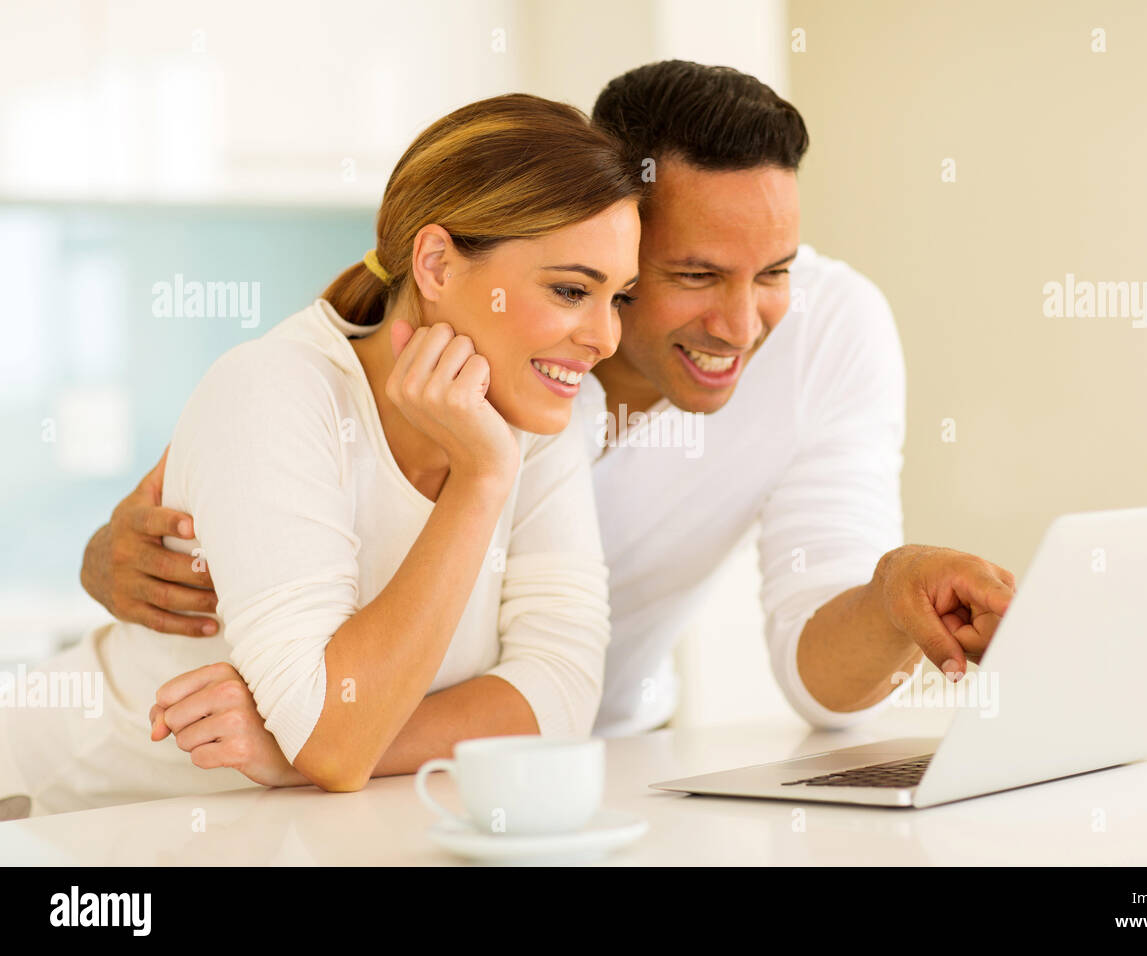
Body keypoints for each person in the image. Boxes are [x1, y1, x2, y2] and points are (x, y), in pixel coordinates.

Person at [79, 61, 1016, 781]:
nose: (741, 324)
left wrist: (892, 592)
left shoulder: (805, 339)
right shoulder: (459, 367)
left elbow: (575, 690)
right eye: (692, 275)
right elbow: (283, 449)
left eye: (775, 271)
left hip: (539, 771)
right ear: (614, 228)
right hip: (159, 807)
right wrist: (105, 561)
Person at [1, 93, 642, 816]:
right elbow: (337, 743)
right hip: (59, 814)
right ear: (435, 263)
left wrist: (295, 753)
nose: (605, 337)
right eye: (570, 290)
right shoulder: (274, 391)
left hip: (259, 832)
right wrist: (483, 480)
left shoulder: (536, 413)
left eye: (619, 296)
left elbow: (561, 691)